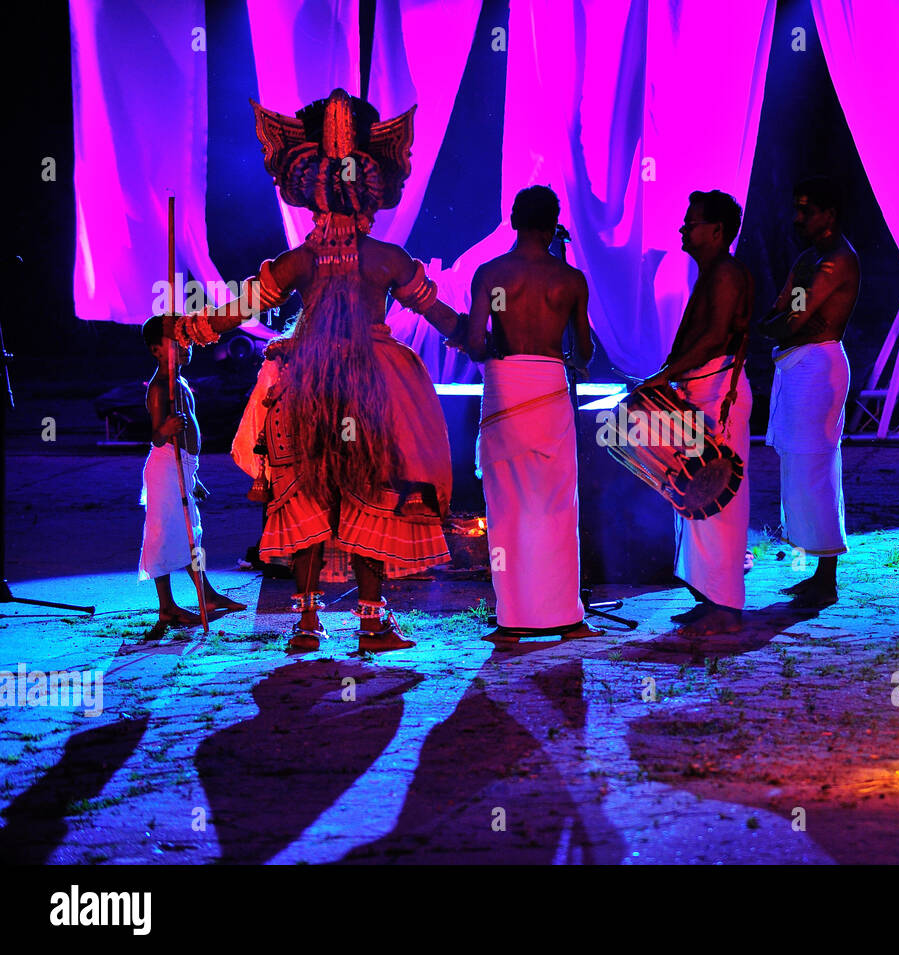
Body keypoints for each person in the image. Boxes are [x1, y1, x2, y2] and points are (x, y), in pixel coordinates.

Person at [169, 89, 460, 652]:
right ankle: (371, 623)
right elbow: (443, 317)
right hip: (368, 388)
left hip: (308, 383)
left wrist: (192, 329)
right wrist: (491, 338)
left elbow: (242, 307)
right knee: (369, 491)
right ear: (369, 197)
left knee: (308, 493)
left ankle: (306, 624)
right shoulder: (384, 259)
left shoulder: (305, 260)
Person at [462, 186, 603, 643]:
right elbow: (584, 350)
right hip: (548, 386)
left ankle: (513, 619)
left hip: (505, 387)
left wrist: (483, 346)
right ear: (551, 226)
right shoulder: (570, 280)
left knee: (507, 505)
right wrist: (573, 359)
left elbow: (478, 344)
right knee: (557, 503)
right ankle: (565, 615)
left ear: (514, 220)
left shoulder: (491, 274)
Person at [638, 190, 753, 637]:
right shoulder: (712, 272)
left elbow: (713, 340)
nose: (684, 228)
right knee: (695, 495)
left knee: (717, 498)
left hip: (718, 394)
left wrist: (663, 376)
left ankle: (727, 606)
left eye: (693, 222)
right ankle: (709, 598)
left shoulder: (725, 272)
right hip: (701, 393)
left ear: (718, 231)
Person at [757, 176, 859, 607]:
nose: (798, 218)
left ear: (829, 214)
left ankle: (827, 575)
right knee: (797, 465)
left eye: (806, 210)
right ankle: (815, 568)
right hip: (799, 365)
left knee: (814, 465)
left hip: (817, 365)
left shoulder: (836, 261)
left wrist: (768, 327)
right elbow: (784, 311)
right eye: (797, 209)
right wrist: (774, 325)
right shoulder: (809, 259)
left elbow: (793, 319)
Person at [138, 317, 246, 626]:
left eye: (185, 339)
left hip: (183, 467)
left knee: (190, 534)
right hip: (165, 466)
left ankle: (206, 595)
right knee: (164, 535)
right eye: (177, 340)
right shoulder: (160, 387)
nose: (185, 344)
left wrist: (192, 477)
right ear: (157, 350)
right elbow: (158, 437)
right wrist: (166, 428)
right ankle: (166, 607)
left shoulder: (181, 383)